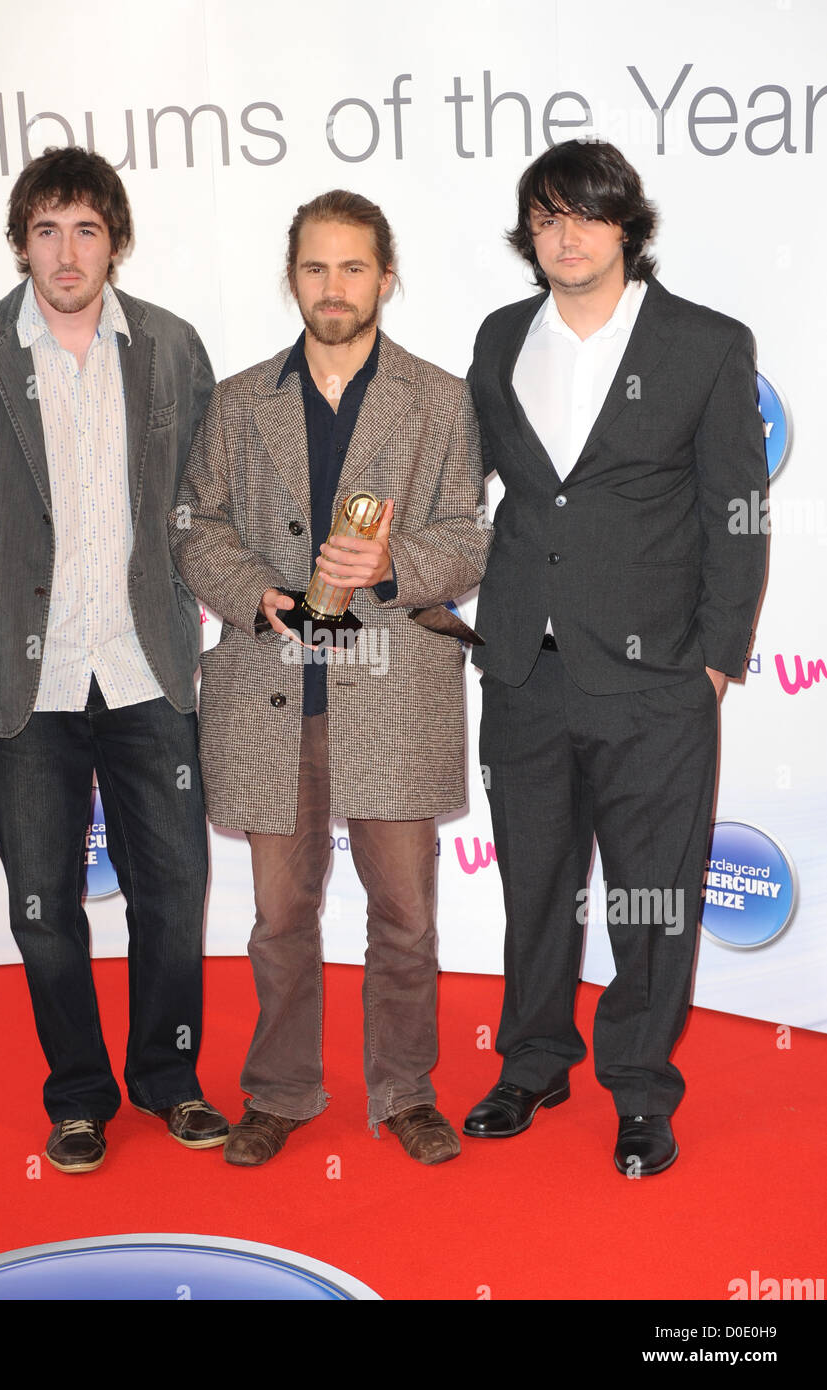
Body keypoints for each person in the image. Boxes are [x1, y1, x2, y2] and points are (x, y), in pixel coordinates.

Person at [0, 146, 227, 1173]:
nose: (67, 250)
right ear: (20, 243)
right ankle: (79, 1095)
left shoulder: (173, 351)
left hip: (145, 668)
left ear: (114, 242)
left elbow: (201, 510)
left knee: (173, 894)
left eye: (86, 227)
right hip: (19, 679)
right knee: (43, 906)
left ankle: (169, 1080)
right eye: (46, 229)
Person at [463, 138, 767, 1175]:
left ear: (625, 227)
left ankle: (638, 1088)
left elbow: (738, 513)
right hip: (525, 672)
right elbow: (497, 497)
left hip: (654, 683)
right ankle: (532, 1063)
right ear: (529, 235)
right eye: (546, 218)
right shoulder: (502, 336)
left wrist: (715, 660)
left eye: (586, 215)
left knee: (650, 896)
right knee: (535, 886)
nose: (566, 235)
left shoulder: (704, 343)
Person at [170, 189, 490, 1166]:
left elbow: (469, 539)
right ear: (291, 278)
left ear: (385, 277)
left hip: (392, 693)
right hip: (272, 695)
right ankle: (280, 1088)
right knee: (280, 918)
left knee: (405, 915)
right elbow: (195, 525)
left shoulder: (438, 399)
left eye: (353, 267)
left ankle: (403, 1088)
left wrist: (391, 567)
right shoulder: (235, 402)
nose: (334, 286)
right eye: (316, 267)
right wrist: (250, 588)